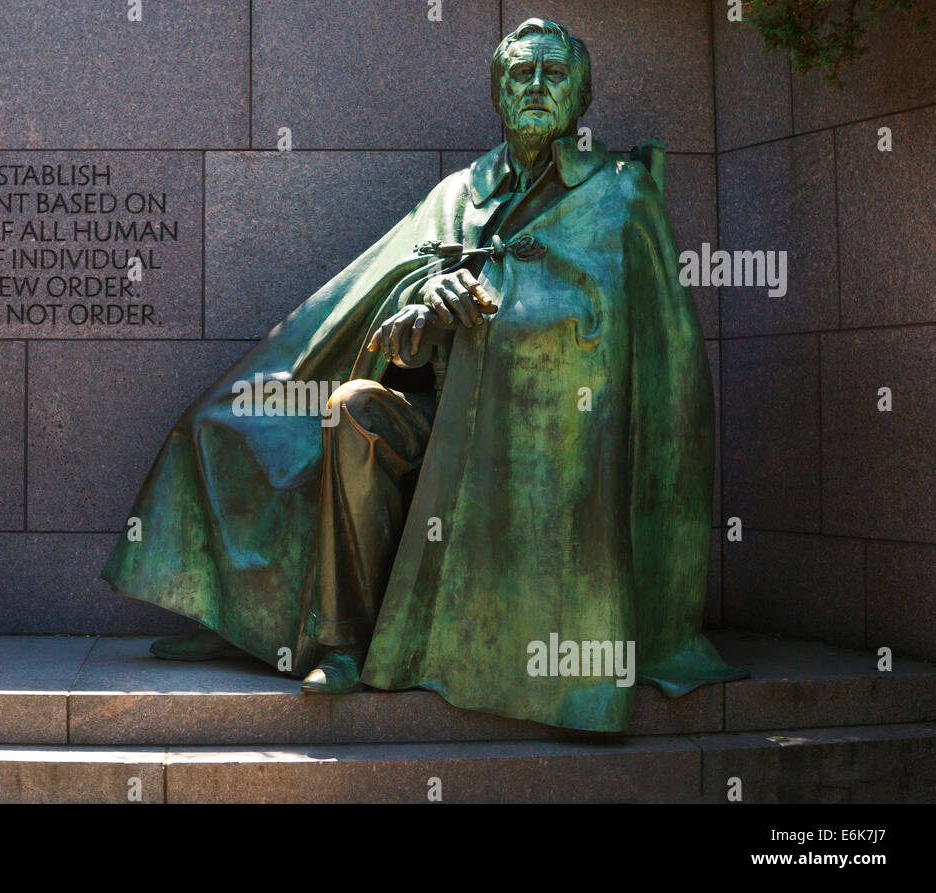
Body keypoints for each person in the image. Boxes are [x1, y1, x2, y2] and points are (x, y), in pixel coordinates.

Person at [102, 18, 746, 732]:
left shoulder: (622, 194)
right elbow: (381, 299)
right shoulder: (458, 193)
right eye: (519, 74)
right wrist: (419, 305)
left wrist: (502, 310)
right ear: (498, 93)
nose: (535, 86)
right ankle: (331, 637)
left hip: (536, 435)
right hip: (434, 415)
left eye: (553, 74)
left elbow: (646, 352)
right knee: (342, 407)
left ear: (581, 95)